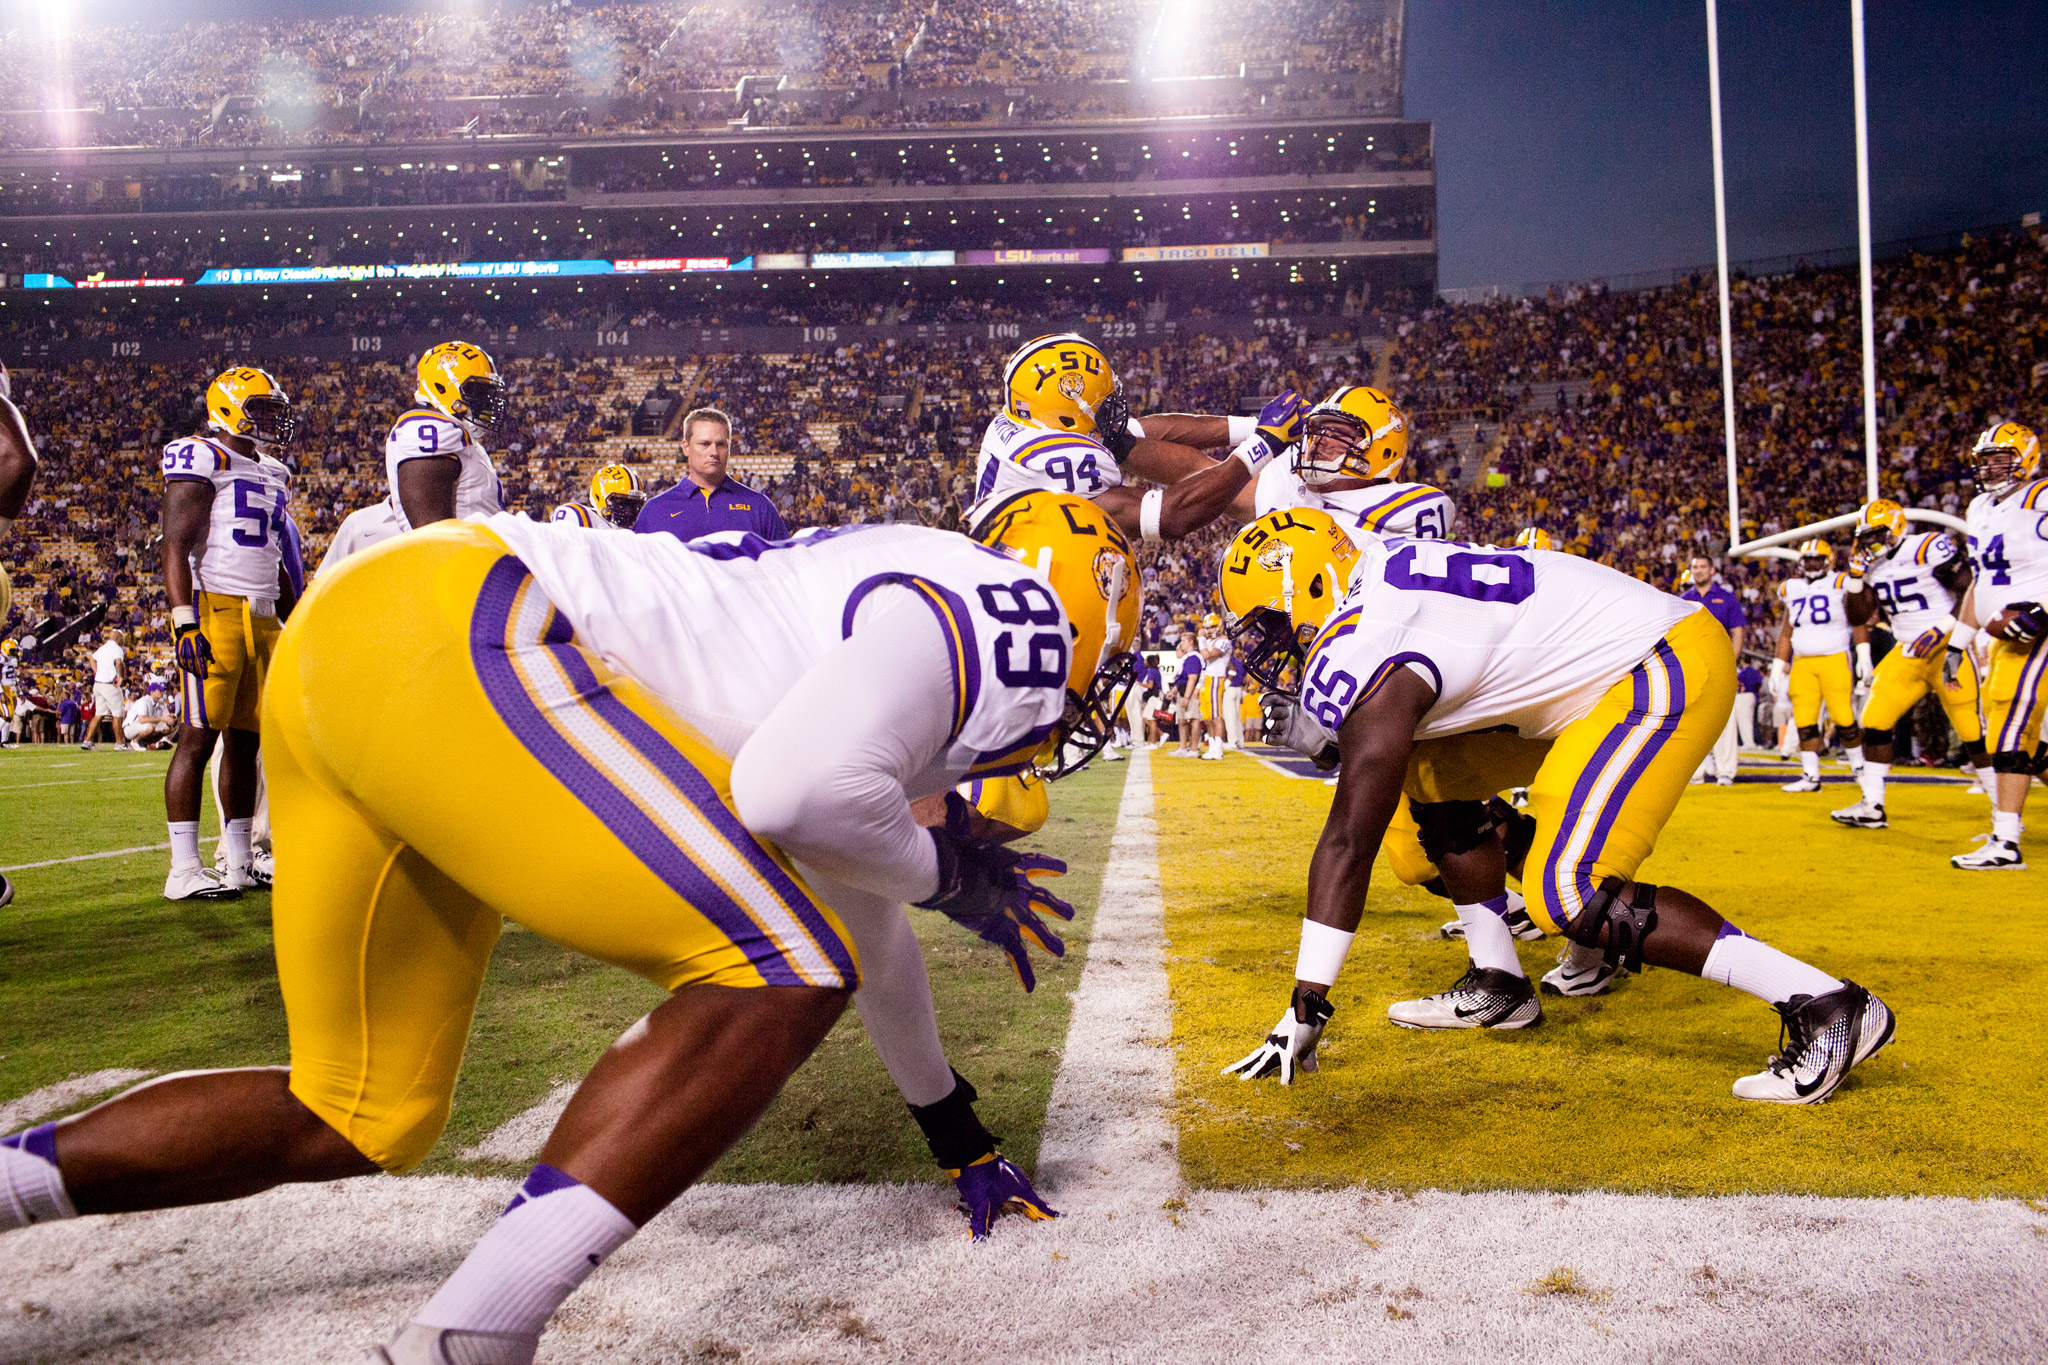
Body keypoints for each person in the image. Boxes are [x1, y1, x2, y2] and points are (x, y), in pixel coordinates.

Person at [0, 490, 1137, 1362]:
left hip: (360, 640)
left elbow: (861, 917)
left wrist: (957, 1134)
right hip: (463, 623)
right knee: (780, 963)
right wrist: (951, 873)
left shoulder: (846, 617)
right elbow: (797, 800)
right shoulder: (1015, 608)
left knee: (357, 1110)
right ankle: (472, 1339)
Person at [1234, 515, 1895, 1099]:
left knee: (1567, 892)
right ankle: (1500, 980)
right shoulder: (1369, 560)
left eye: (1266, 624)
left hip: (1658, 662)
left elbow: (1349, 840)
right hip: (1588, 678)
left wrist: (1306, 1004)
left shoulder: (1364, 642)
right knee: (1427, 787)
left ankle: (1826, 1003)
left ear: (1310, 589)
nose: (1267, 649)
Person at [159, 367, 298, 901]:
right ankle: (184, 869)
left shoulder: (273, 470)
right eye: (259, 408)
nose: (269, 419)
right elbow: (174, 544)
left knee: (248, 739)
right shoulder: (202, 455)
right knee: (198, 738)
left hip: (262, 614)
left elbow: (275, 558)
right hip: (214, 607)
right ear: (227, 409)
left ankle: (240, 860)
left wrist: (297, 617)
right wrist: (184, 622)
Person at [970, 332, 1307, 548]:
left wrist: (1253, 426)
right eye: (1103, 404)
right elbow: (1169, 516)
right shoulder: (1059, 458)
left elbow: (1145, 429)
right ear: (1068, 412)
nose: (1114, 406)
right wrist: (1262, 445)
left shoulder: (1026, 420)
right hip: (1035, 584)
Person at [1833, 498, 1983, 829]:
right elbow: (1858, 615)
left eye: (1879, 534)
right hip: (1906, 650)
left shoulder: (1927, 546)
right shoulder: (1872, 565)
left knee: (1971, 728)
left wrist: (1941, 628)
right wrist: (1856, 578)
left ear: (1897, 527)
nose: (1873, 542)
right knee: (1874, 719)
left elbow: (1972, 589)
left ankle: (2005, 812)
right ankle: (1872, 804)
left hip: (1946, 644)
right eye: (1867, 536)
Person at [1952, 422, 2047, 869]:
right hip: (2002, 637)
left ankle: (2006, 842)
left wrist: (2042, 611)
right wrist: (1959, 641)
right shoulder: (1978, 507)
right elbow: (1980, 582)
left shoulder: (2042, 496)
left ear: (2026, 457)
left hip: (2038, 630)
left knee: (2008, 726)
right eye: (1985, 458)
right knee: (2021, 735)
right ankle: (2007, 828)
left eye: (2000, 457)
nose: (1990, 466)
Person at [1235, 385, 1456, 542]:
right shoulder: (1291, 482)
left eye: (1337, 433)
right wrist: (1250, 429)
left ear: (1384, 450)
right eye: (1318, 430)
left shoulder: (1410, 510)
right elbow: (1212, 484)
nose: (1318, 442)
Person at [1771, 539, 1868, 793]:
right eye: (1808, 559)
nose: (1812, 563)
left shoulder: (1840, 582)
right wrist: (1778, 663)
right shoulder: (1790, 587)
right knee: (1803, 719)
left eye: (1817, 559)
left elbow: (1858, 619)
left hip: (1834, 656)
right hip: (1802, 661)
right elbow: (1786, 629)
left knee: (1843, 717)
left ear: (1828, 561)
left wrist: (1864, 654)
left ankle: (1859, 768)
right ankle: (1810, 775)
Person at [388, 342, 508, 532]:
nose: (485, 402)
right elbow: (433, 536)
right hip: (463, 559)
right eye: (478, 393)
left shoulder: (459, 435)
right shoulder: (430, 429)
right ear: (442, 387)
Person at [633, 407, 787, 541]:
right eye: (704, 444)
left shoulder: (759, 507)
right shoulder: (655, 510)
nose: (713, 452)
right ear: (686, 447)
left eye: (721, 444)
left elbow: (785, 566)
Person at [1680, 556, 1748, 786]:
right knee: (1692, 719)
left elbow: (1737, 632)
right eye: (1694, 567)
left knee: (1725, 720)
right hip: (1692, 667)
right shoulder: (1684, 600)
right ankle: (1695, 771)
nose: (1698, 571)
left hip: (1720, 666)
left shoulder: (1726, 599)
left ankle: (1725, 770)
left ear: (1712, 570)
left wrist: (1731, 661)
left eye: (1702, 567)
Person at [553, 463, 648, 530]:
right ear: (599, 498)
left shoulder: (641, 529)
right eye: (622, 503)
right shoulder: (580, 517)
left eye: (634, 504)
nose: (629, 511)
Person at [80, 629, 128, 750]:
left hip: (98, 684)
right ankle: (119, 744)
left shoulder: (103, 648)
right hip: (109, 685)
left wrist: (96, 671)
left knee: (99, 714)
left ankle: (87, 741)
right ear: (117, 638)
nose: (123, 640)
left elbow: (92, 658)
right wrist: (121, 677)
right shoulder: (117, 648)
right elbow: (119, 662)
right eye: (121, 637)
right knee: (118, 714)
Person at [1196, 613, 1231, 760]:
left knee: (1216, 716)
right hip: (1207, 679)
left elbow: (1207, 655)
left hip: (1216, 679)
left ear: (1219, 626)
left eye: (1211, 627)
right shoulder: (1212, 641)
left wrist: (1201, 638)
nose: (1209, 630)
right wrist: (1199, 685)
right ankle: (1211, 748)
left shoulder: (1223, 641)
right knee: (1208, 717)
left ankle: (1218, 750)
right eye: (1207, 628)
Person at [1171, 634, 1202, 756]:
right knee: (1182, 720)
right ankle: (1183, 747)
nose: (1181, 643)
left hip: (1189, 691)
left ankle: (1194, 748)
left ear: (1191, 641)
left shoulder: (1193, 657)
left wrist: (1187, 697)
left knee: (1194, 719)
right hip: (1182, 690)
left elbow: (1192, 678)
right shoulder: (1187, 657)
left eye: (1183, 640)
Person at [122, 682, 175, 749]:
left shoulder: (161, 703)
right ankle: (134, 742)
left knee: (168, 728)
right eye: (160, 691)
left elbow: (166, 718)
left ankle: (148, 743)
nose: (162, 693)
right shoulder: (144, 701)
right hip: (130, 727)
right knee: (150, 727)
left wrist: (170, 718)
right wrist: (162, 719)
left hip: (143, 726)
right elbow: (142, 720)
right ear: (152, 692)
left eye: (162, 691)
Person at [1734, 659, 1763, 749]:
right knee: (1752, 721)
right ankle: (1756, 742)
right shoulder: (1755, 672)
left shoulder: (1742, 672)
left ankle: (1749, 743)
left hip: (1743, 696)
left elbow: (1737, 683)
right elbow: (1759, 683)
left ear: (1742, 661)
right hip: (1753, 696)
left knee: (1744, 721)